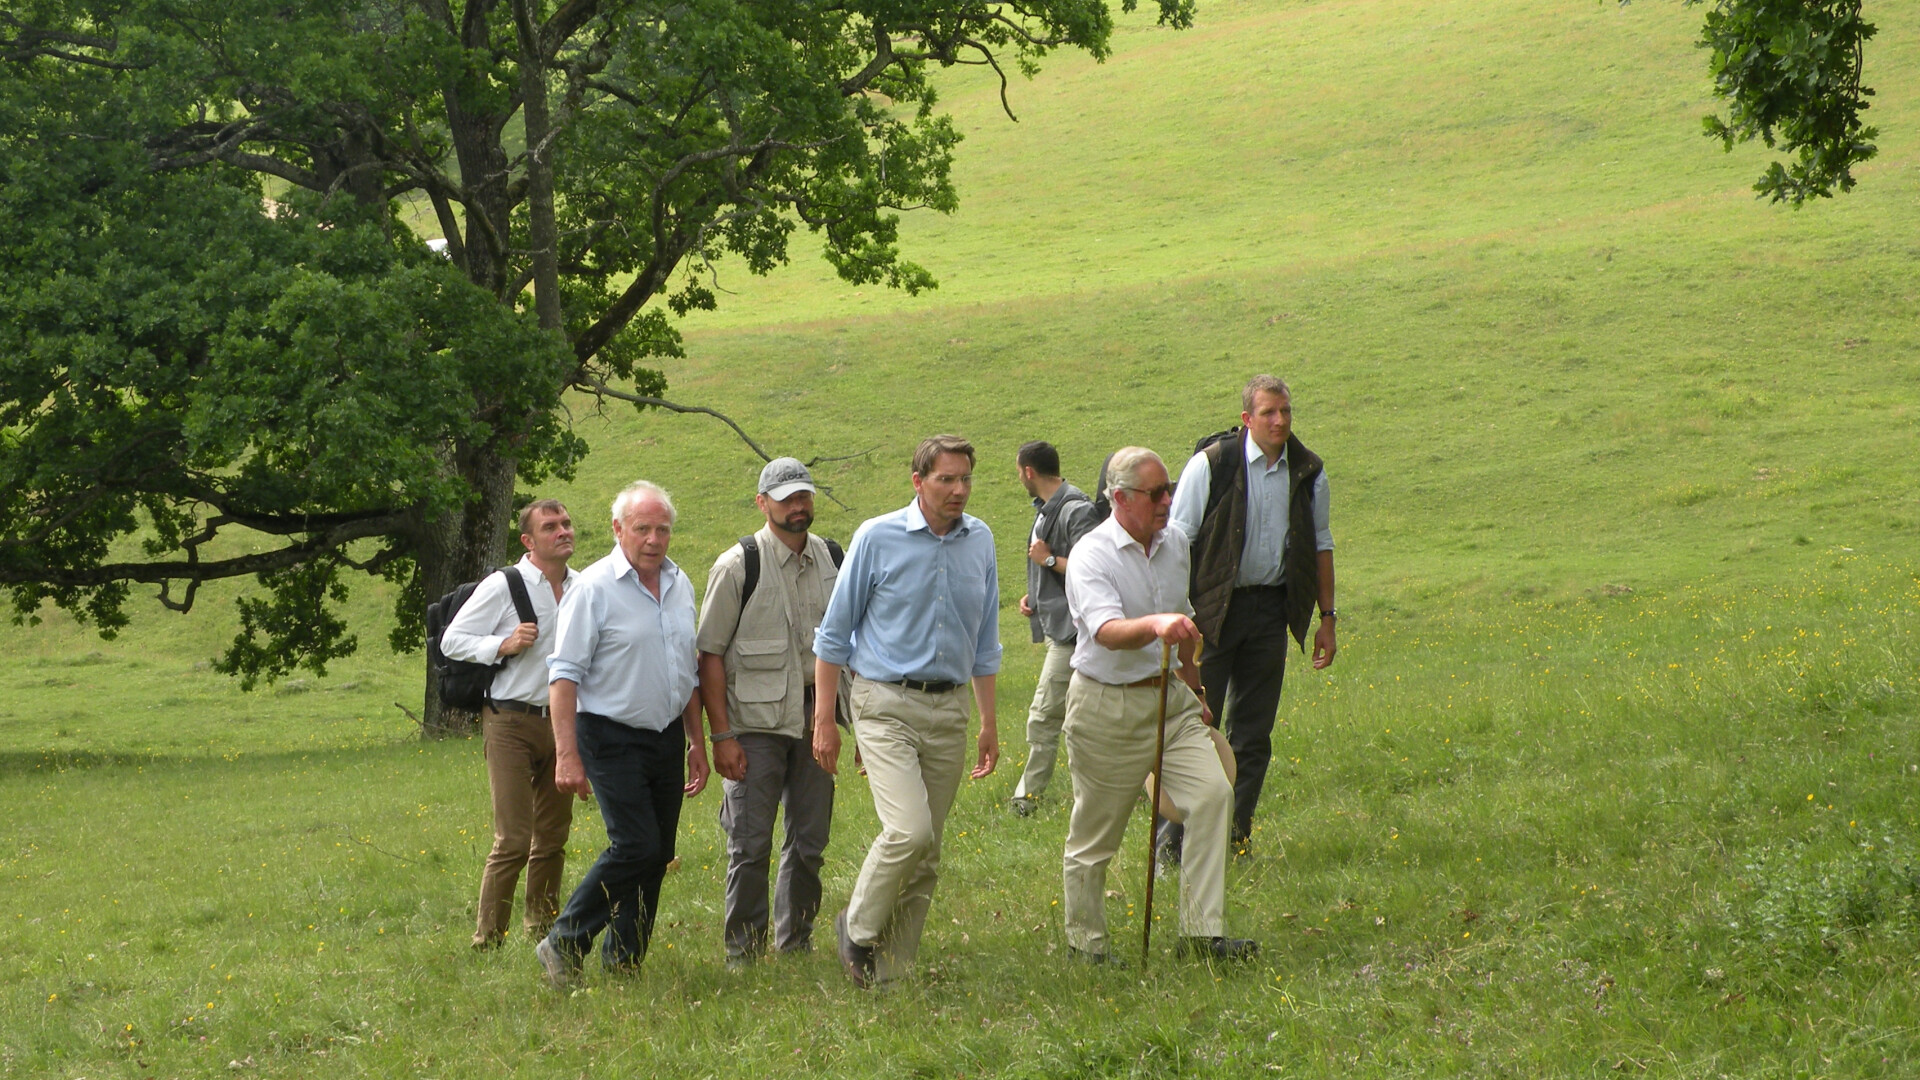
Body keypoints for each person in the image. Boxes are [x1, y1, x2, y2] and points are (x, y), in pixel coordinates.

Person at [811, 435, 1002, 988]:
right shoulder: (877, 537)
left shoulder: (980, 540)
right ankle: (857, 928)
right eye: (946, 479)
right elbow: (833, 635)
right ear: (918, 482)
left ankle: (890, 973)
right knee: (909, 831)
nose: (959, 489)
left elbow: (985, 640)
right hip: (884, 703)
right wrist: (825, 721)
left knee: (928, 852)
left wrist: (989, 722)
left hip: (951, 707)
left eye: (965, 478)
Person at [1061, 446, 1256, 963]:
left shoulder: (1175, 545)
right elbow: (1106, 631)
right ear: (1120, 498)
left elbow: (1184, 625)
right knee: (1096, 834)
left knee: (1213, 795)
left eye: (1168, 490)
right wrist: (1155, 624)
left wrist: (1198, 692)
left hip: (1171, 701)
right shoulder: (1091, 555)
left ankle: (1201, 935)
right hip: (1107, 705)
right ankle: (1086, 945)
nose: (1168, 501)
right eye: (1156, 494)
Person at [535, 481, 711, 989]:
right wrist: (566, 755)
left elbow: (687, 671)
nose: (654, 539)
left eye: (663, 529)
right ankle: (564, 941)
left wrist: (696, 742)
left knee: (658, 851)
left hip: (665, 736)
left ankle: (625, 960)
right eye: (642, 528)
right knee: (636, 844)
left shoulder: (680, 583)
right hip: (608, 734)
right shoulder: (593, 589)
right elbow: (563, 676)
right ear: (618, 529)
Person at [1167, 374, 1337, 859]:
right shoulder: (1212, 464)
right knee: (1194, 728)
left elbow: (1321, 545)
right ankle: (1173, 845)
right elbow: (1177, 542)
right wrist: (1178, 617)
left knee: (1254, 734)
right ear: (1247, 419)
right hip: (1210, 613)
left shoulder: (1308, 471)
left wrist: (1327, 617)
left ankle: (1233, 837)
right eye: (1268, 413)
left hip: (1270, 611)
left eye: (1285, 411)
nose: (1280, 421)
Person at [696, 458, 842, 967]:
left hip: (816, 716)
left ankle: (795, 942)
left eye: (804, 496)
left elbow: (851, 645)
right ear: (763, 504)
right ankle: (743, 954)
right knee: (750, 843)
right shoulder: (738, 566)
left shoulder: (835, 559)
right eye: (786, 499)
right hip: (752, 725)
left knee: (810, 842)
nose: (798, 507)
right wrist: (722, 736)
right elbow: (709, 655)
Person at [440, 499, 579, 949]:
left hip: (563, 724)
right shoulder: (505, 584)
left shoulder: (583, 586)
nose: (563, 531)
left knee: (552, 838)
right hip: (510, 722)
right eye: (550, 526)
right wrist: (502, 644)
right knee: (514, 839)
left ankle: (542, 933)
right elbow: (451, 641)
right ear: (528, 540)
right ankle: (488, 940)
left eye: (566, 523)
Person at [1010, 441, 1097, 817]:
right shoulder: (1046, 509)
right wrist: (1035, 596)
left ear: (1029, 471)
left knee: (1044, 714)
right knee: (1088, 717)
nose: (1019, 478)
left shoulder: (1076, 510)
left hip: (1073, 634)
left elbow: (1093, 568)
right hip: (1061, 627)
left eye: (1019, 472)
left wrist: (1047, 560)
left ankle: (1026, 799)